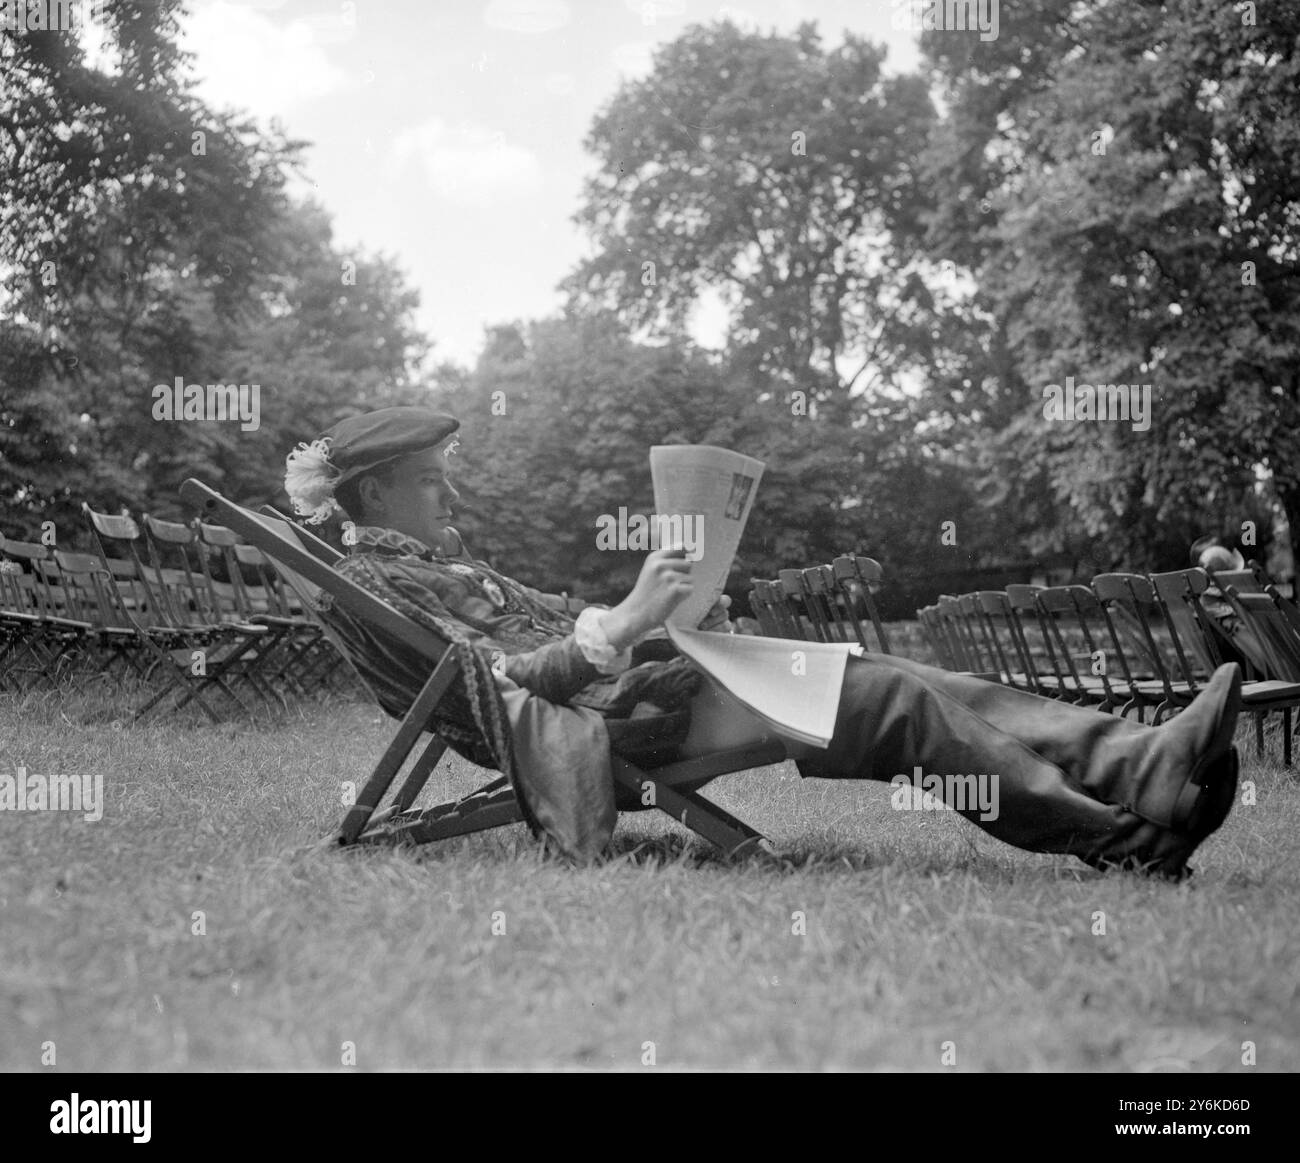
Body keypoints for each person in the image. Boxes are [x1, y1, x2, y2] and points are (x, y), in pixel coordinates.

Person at [284, 408, 1242, 877]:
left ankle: (1139, 760)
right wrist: (622, 624)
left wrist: (672, 606)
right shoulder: (383, 577)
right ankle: (1121, 838)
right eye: (430, 480)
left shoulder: (441, 559)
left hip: (645, 689)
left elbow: (560, 615)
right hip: (617, 724)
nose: (449, 494)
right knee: (882, 699)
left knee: (901, 671)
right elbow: (495, 680)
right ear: (371, 494)